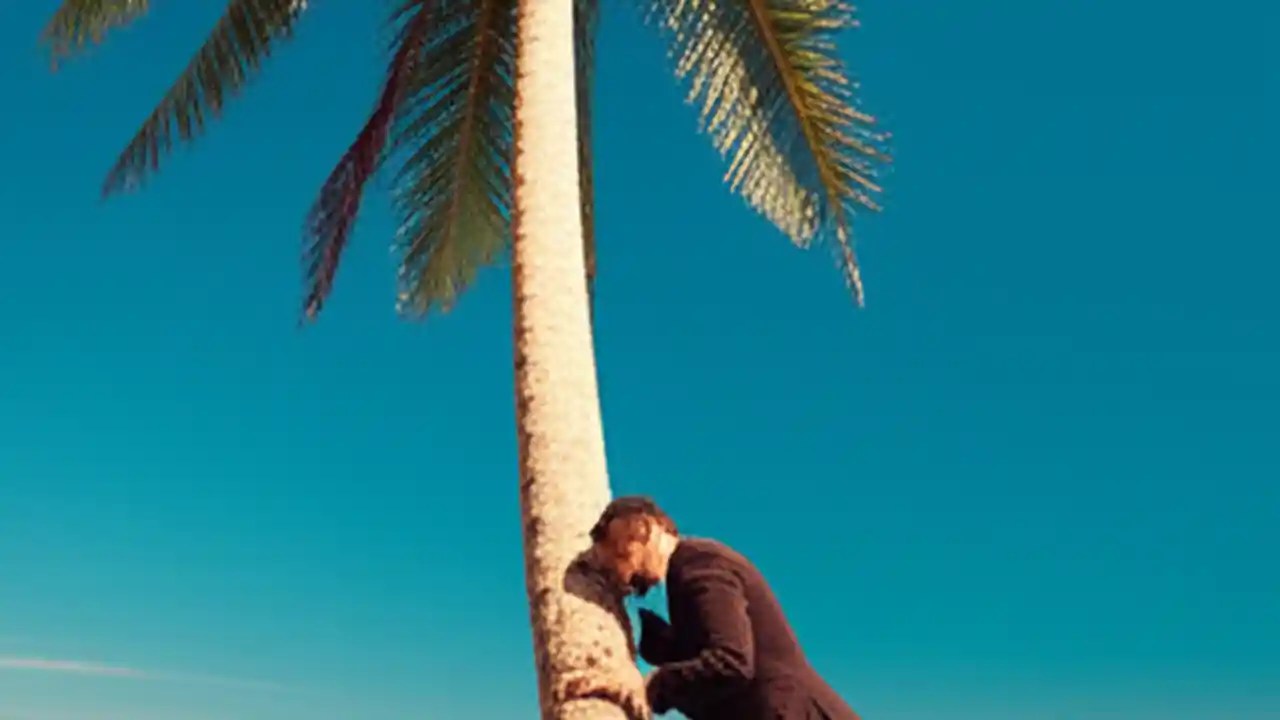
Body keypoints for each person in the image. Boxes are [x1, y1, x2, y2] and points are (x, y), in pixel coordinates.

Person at [589, 495, 861, 720]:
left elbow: (731, 661)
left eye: (621, 554)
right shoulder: (687, 573)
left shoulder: (699, 563)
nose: (622, 576)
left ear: (644, 529)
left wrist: (654, 686)